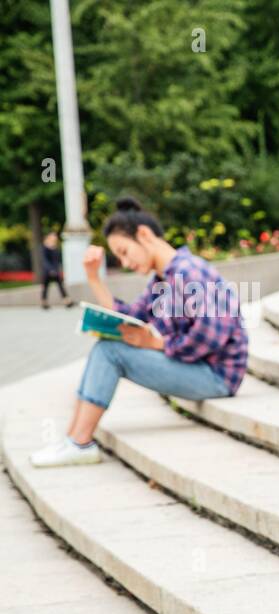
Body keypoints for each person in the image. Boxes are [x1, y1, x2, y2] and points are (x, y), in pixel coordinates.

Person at [29, 197, 248, 468]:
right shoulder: (163, 279)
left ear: (143, 235)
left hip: (216, 377)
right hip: (196, 369)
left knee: (111, 352)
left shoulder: (188, 271)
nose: (125, 262)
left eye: (124, 251)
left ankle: (80, 442)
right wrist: (94, 278)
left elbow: (211, 334)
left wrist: (155, 344)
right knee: (106, 346)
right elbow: (131, 317)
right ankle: (72, 439)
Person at [39, 231, 73, 309]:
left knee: (61, 286)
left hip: (55, 270)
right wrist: (50, 270)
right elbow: (45, 260)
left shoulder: (55, 247)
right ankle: (44, 302)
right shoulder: (44, 248)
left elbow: (57, 261)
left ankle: (67, 301)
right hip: (47, 271)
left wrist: (57, 269)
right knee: (45, 287)